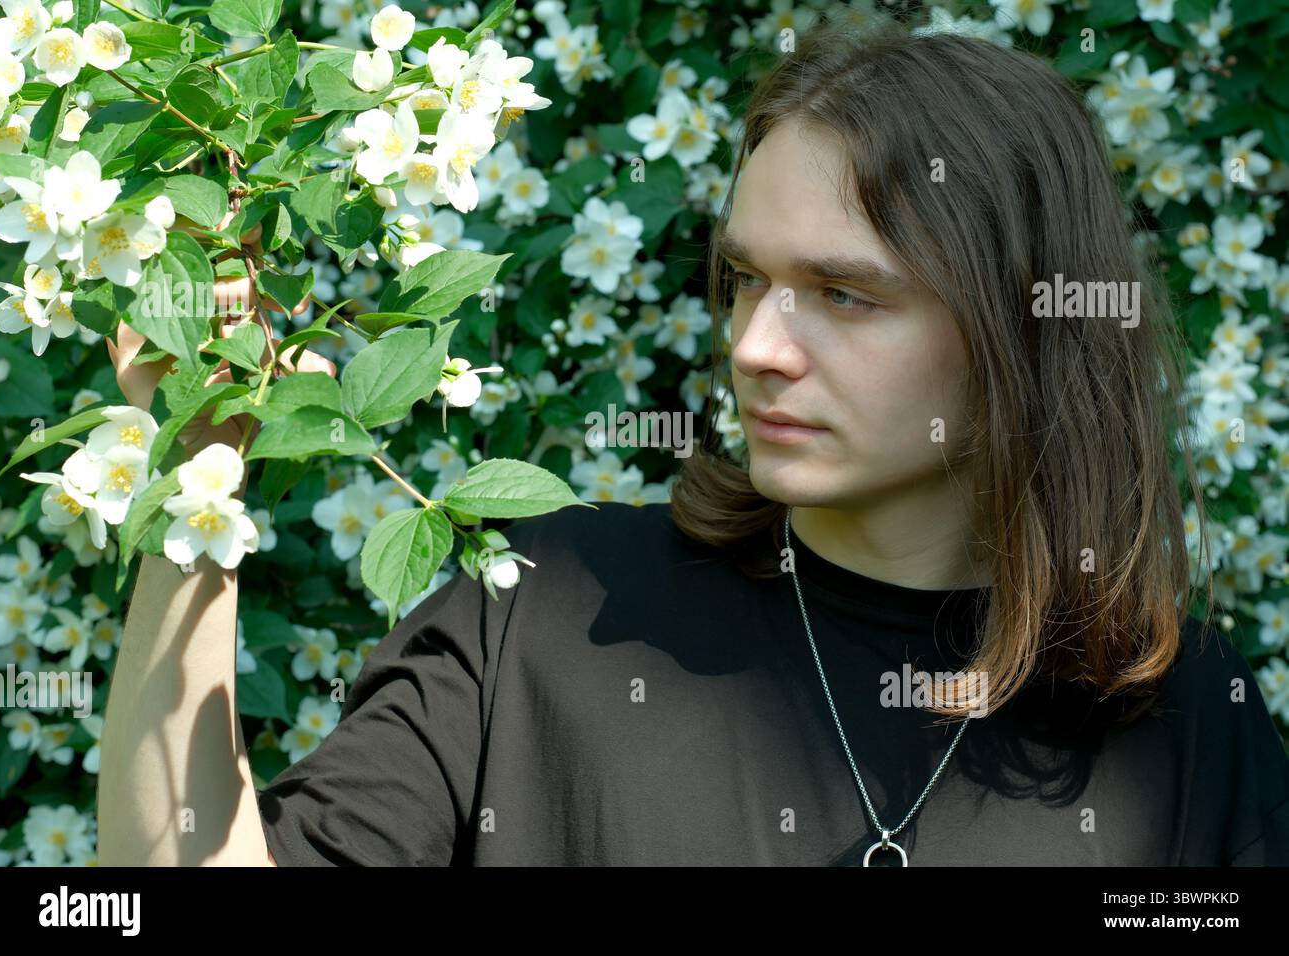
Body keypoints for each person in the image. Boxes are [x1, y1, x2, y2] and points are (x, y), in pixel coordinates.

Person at [97, 20, 1289, 866]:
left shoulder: (1187, 729)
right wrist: (192, 490)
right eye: (741, 280)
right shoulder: (537, 611)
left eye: (845, 294)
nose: (756, 345)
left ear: (1020, 324)